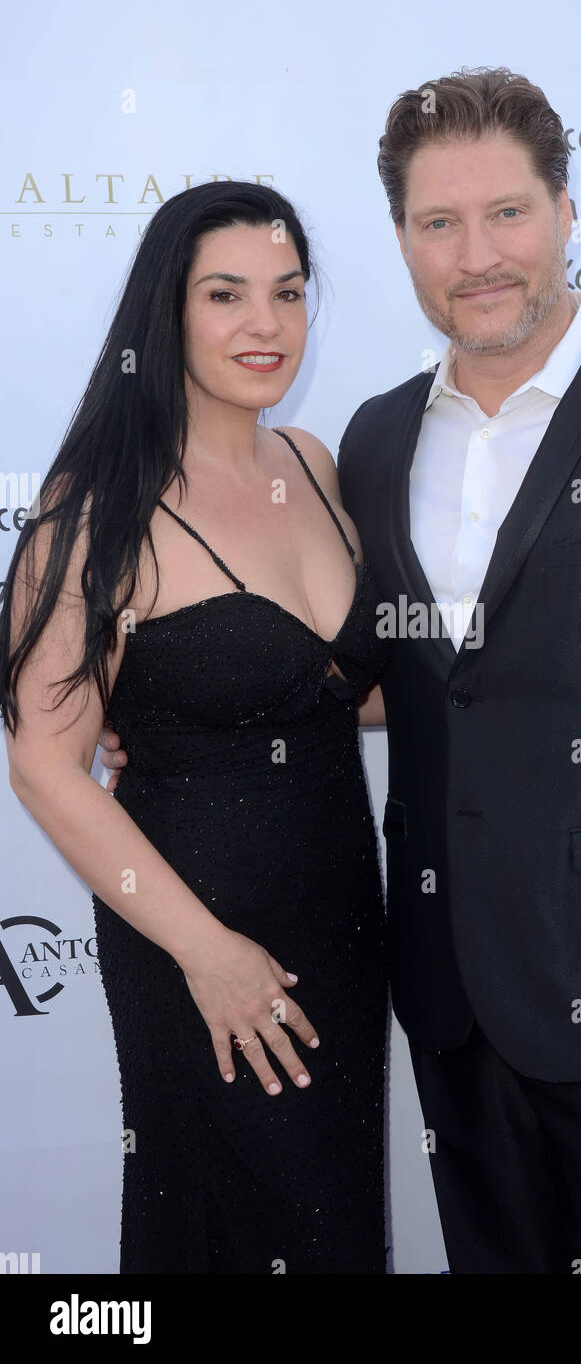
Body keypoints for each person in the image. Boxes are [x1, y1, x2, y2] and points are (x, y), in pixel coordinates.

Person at [100, 69, 581, 1275]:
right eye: (437, 223)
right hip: (446, 993)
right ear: (401, 237)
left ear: (566, 210)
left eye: (506, 212)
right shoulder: (380, 435)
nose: (477, 254)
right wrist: (177, 715)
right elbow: (383, 670)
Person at [1, 181, 390, 1274]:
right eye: (227, 295)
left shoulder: (313, 466)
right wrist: (208, 953)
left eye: (289, 293)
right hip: (195, 941)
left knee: (332, 1225)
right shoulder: (94, 513)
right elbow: (46, 768)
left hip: (341, 930)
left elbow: (330, 688)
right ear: (166, 311)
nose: (265, 326)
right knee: (222, 1225)